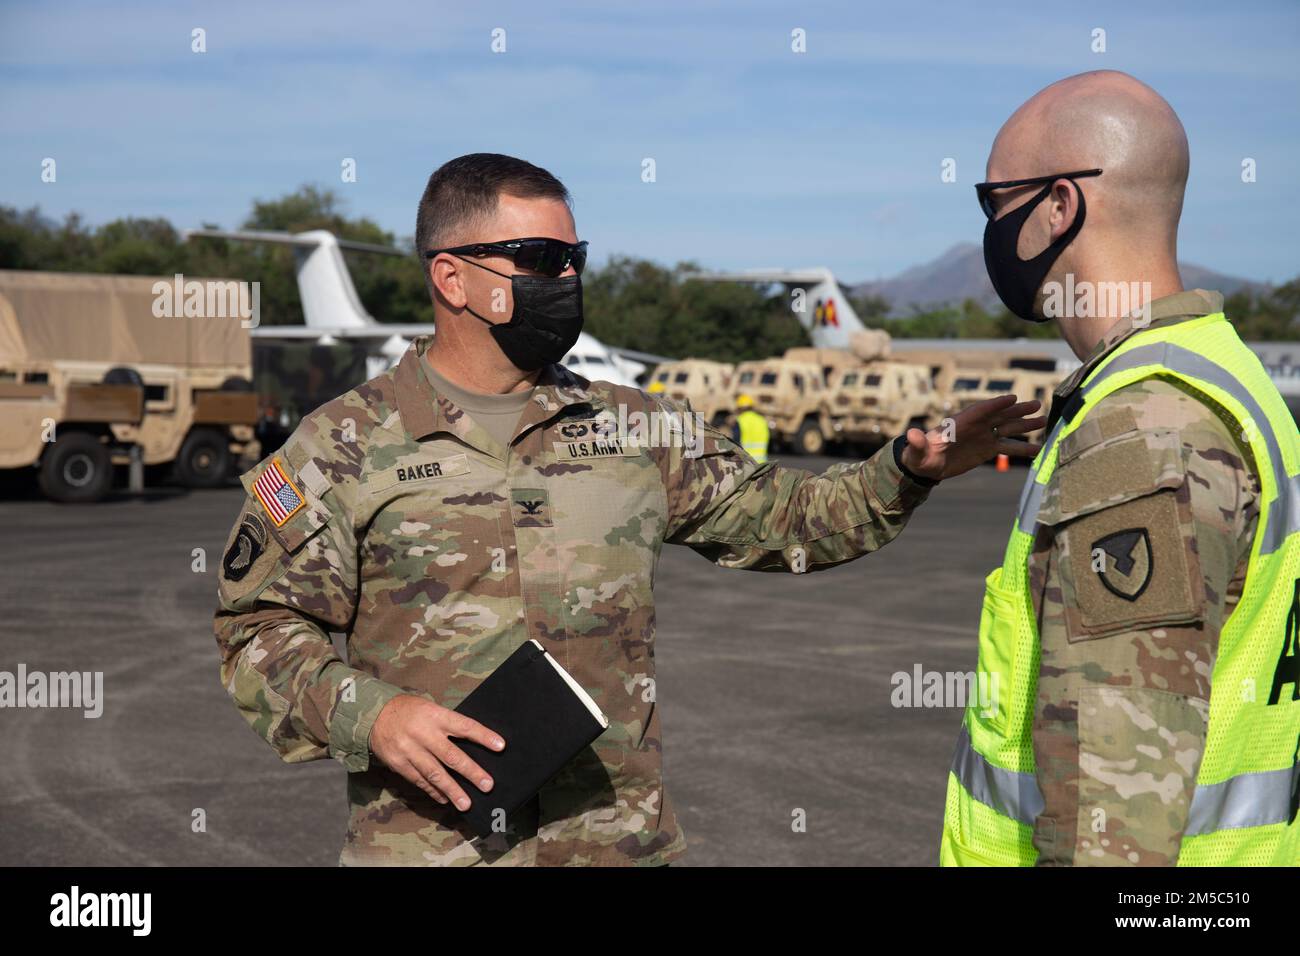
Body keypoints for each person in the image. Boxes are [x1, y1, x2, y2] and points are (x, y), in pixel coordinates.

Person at [214, 152, 1044, 866]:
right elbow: (256, 628)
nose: (566, 279)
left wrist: (907, 468)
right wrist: (375, 715)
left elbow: (785, 517)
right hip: (431, 848)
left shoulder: (638, 428)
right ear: (451, 277)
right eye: (538, 258)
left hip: (615, 844)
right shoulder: (343, 445)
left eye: (574, 256)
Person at [940, 71, 1300, 866]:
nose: (991, 233)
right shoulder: (1229, 378)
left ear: (1059, 206)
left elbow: (1114, 811)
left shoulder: (1141, 428)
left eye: (994, 206)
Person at [731, 393, 769, 464]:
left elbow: (735, 442)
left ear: (739, 408)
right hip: (762, 463)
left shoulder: (740, 420)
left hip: (746, 462)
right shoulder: (762, 420)